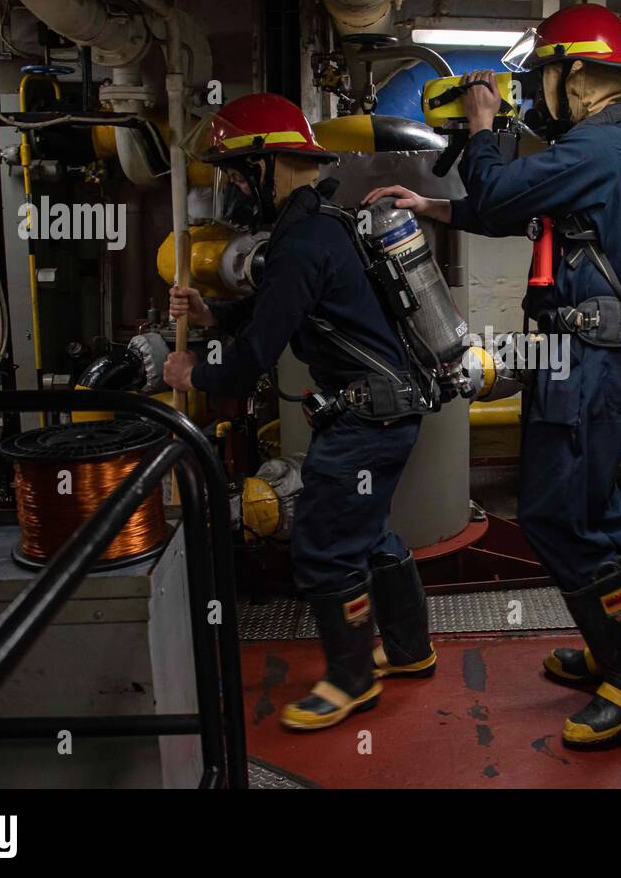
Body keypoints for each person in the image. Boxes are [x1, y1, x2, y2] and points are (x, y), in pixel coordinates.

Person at [364, 4, 621, 748]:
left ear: (582, 76)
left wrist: (484, 124)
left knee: (556, 516)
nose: (536, 96)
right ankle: (619, 653)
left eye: (545, 79)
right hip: (588, 360)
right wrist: (429, 203)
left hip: (590, 364)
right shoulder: (620, 149)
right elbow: (508, 212)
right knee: (596, 515)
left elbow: (501, 190)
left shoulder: (602, 145)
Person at [163, 93, 435, 732]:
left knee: (323, 544)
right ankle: (409, 651)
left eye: (236, 171)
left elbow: (254, 356)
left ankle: (350, 681)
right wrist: (214, 315)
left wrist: (193, 372)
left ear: (269, 166)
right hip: (388, 408)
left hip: (369, 417)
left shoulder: (301, 241)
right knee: (366, 533)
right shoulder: (321, 225)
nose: (232, 186)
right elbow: (286, 310)